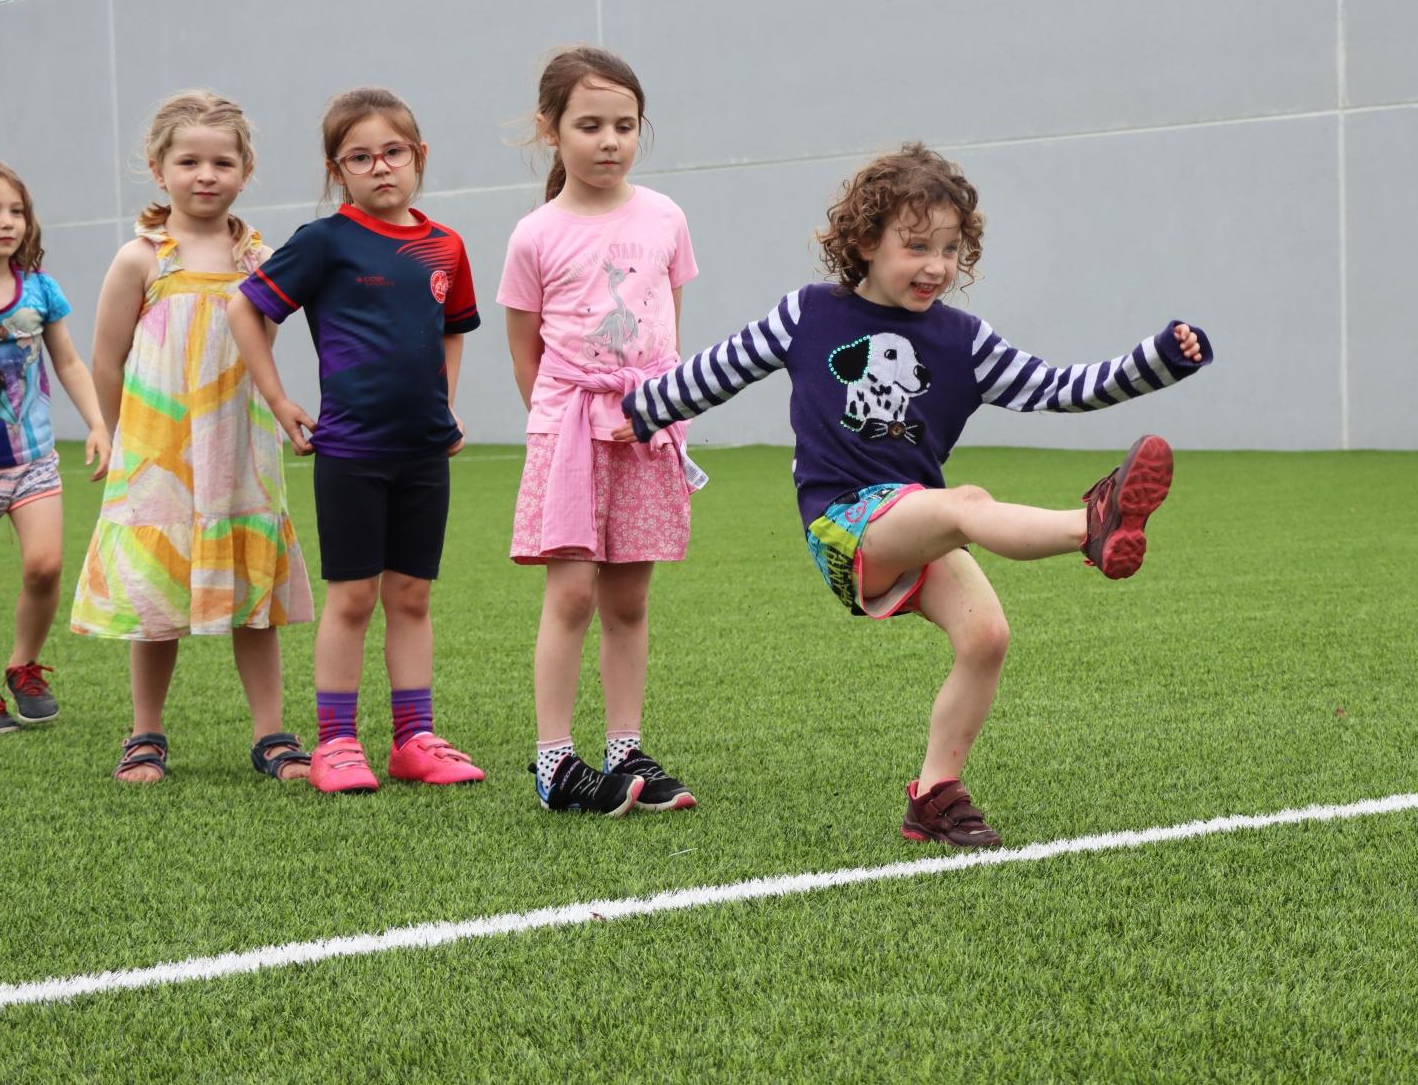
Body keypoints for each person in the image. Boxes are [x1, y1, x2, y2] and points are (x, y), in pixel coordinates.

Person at [621, 143, 1210, 847]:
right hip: (844, 524)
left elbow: (1060, 388)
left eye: (951, 249)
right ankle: (1092, 524)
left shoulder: (964, 340)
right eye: (918, 245)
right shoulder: (808, 315)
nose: (937, 265)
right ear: (866, 242)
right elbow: (719, 370)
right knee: (967, 504)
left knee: (986, 636)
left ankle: (934, 796)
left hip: (914, 517)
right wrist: (637, 412)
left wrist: (1157, 361)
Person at [228, 87, 483, 794]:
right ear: (337, 170)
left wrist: (447, 407)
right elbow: (245, 310)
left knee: (412, 596)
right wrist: (279, 400)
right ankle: (337, 743)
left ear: (418, 155)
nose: (381, 168)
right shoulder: (325, 241)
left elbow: (453, 329)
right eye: (360, 157)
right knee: (352, 599)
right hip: (350, 453)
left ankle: (414, 739)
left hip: (424, 452)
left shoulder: (446, 245)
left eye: (393, 152)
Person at [72, 91, 316, 783]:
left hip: (239, 449)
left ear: (245, 170)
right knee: (155, 601)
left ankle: (271, 734)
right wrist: (118, 436)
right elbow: (106, 360)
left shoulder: (263, 258)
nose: (205, 175)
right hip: (159, 455)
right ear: (159, 169)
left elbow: (260, 350)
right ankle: (145, 733)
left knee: (253, 603)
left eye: (222, 162)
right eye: (188, 161)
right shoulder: (140, 258)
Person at [500, 46, 705, 815]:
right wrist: (566, 429)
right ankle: (556, 762)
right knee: (572, 595)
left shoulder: (666, 218)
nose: (610, 140)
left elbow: (667, 333)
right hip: (568, 436)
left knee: (629, 599)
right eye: (589, 125)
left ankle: (626, 750)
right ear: (550, 130)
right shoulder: (534, 234)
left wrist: (649, 412)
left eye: (625, 124)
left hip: (646, 430)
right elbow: (526, 353)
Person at [0, 154, 110, 733]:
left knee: (45, 566)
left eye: (16, 210)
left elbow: (69, 362)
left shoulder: (40, 289)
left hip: (33, 458)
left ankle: (23, 665)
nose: (8, 221)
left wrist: (97, 423)